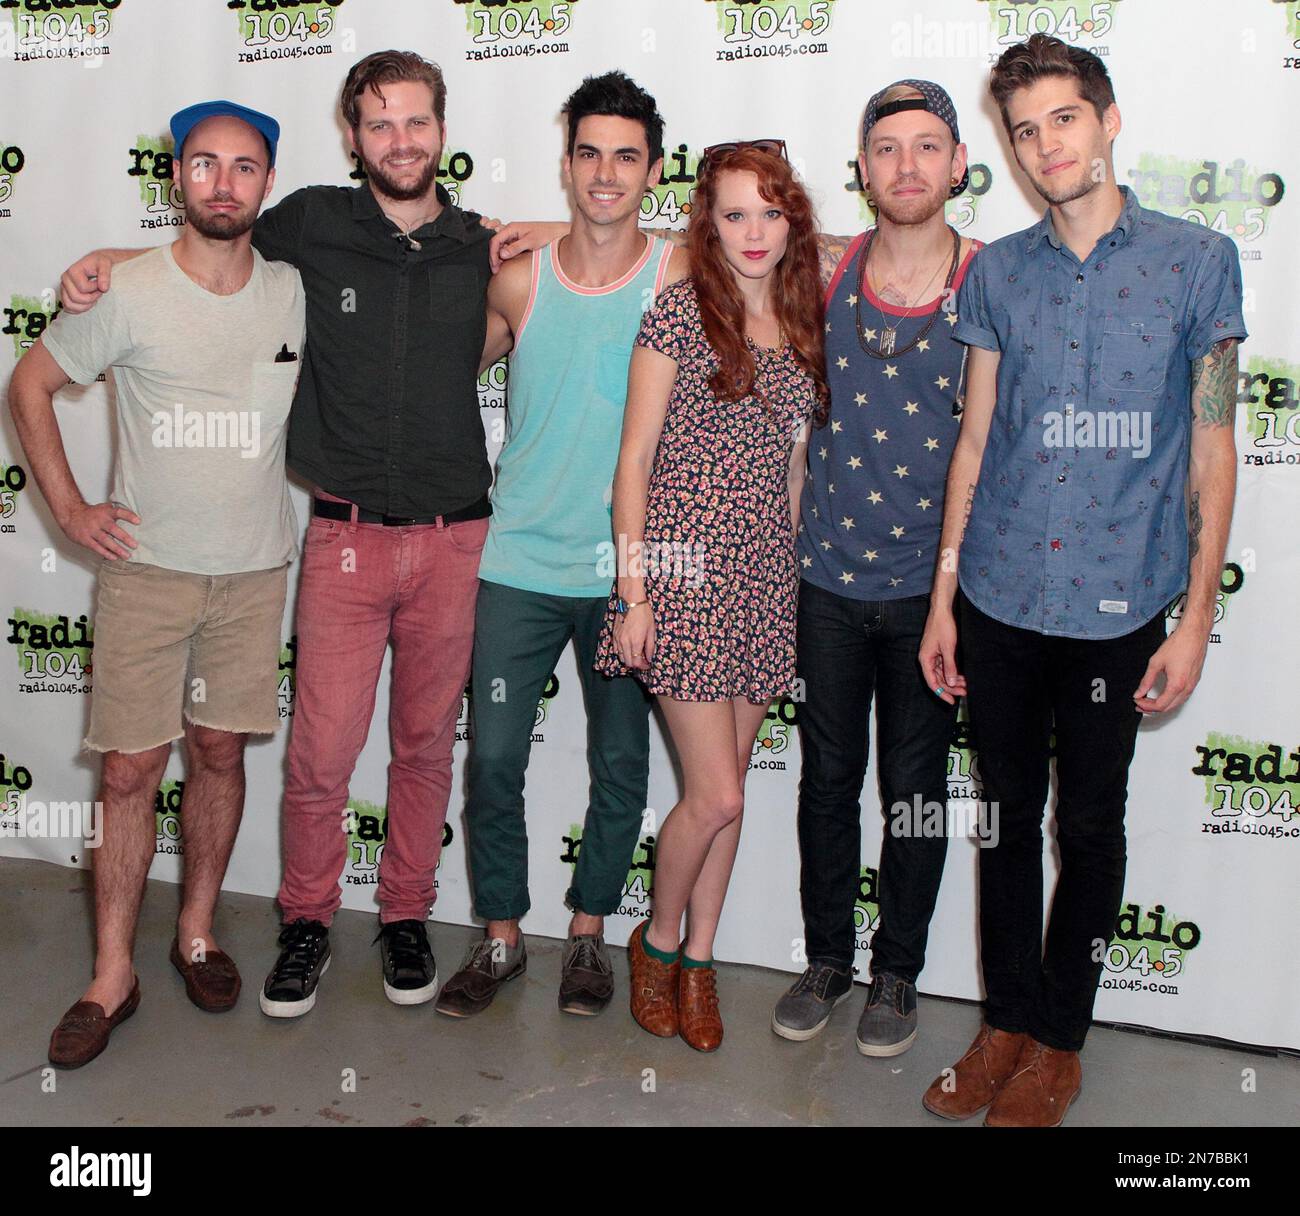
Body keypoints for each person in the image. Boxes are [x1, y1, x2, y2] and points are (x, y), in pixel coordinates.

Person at [58, 51, 499, 1017]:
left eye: (416, 122)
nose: (400, 141)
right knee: (321, 756)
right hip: (340, 535)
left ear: (442, 130)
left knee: (424, 747)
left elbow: (575, 255)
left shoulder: (481, 244)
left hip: (456, 536)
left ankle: (404, 916)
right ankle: (305, 923)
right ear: (353, 137)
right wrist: (105, 261)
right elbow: (210, 239)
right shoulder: (308, 220)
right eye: (379, 125)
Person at [918, 34, 1245, 1126]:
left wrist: (1196, 616)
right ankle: (1004, 1020)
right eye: (1023, 128)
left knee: (1087, 830)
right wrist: (942, 597)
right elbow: (972, 442)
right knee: (1004, 822)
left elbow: (1209, 445)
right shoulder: (997, 273)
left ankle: (1060, 1039)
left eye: (1064, 118)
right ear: (1008, 150)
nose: (1046, 143)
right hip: (999, 593)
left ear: (1106, 121)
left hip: (1117, 606)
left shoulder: (1195, 260)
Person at [8, 101, 304, 1066]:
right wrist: (69, 513)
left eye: (245, 167)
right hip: (147, 577)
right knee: (131, 769)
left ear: (268, 180)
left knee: (220, 754)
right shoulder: (126, 291)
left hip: (255, 571)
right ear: (177, 176)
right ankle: (110, 976)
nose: (224, 183)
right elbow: (29, 386)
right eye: (205, 165)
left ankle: (198, 934)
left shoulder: (296, 289)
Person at [434, 72, 686, 1019]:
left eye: (627, 155)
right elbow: (439, 374)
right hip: (519, 563)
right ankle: (500, 936)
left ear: (654, 172)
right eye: (590, 153)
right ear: (568, 162)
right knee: (494, 758)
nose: (606, 173)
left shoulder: (680, 275)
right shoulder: (517, 278)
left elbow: (787, 240)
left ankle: (588, 935)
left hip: (630, 571)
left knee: (621, 766)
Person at [593, 142, 827, 1051]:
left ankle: (700, 958)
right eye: (734, 214)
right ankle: (653, 945)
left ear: (792, 220)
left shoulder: (807, 323)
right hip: (682, 579)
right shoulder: (679, 315)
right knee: (718, 794)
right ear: (707, 222)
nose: (754, 232)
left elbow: (797, 469)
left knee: (730, 792)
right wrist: (634, 590)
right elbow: (633, 460)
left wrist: (794, 576)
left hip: (767, 580)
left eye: (770, 212)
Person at [771, 80, 983, 1057]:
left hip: (933, 598)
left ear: (957, 165)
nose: (906, 165)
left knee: (913, 789)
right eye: (887, 148)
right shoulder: (823, 267)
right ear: (861, 168)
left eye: (926, 146)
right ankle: (826, 957)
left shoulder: (988, 280)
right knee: (825, 781)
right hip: (825, 582)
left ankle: (895, 972)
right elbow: (679, 245)